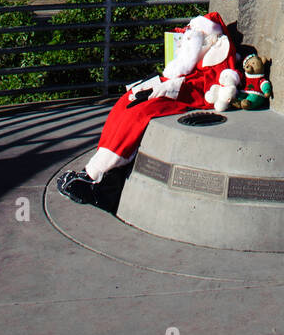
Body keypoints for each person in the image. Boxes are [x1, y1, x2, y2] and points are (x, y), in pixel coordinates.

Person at [56, 12, 240, 206]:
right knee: (125, 103)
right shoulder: (199, 50)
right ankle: (93, 172)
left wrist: (170, 85)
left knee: (138, 113)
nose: (188, 34)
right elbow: (181, 70)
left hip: (185, 91)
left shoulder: (217, 53)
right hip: (173, 83)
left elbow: (204, 80)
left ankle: (97, 175)